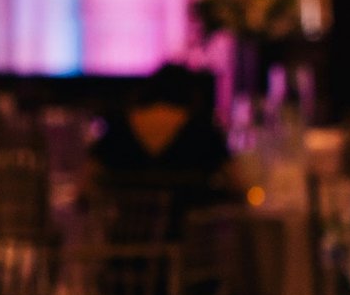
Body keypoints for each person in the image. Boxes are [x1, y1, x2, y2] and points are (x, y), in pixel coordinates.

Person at [84, 63, 243, 237]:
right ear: (190, 93)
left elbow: (84, 187)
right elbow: (238, 186)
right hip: (191, 248)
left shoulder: (119, 129)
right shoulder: (202, 130)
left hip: (128, 246)